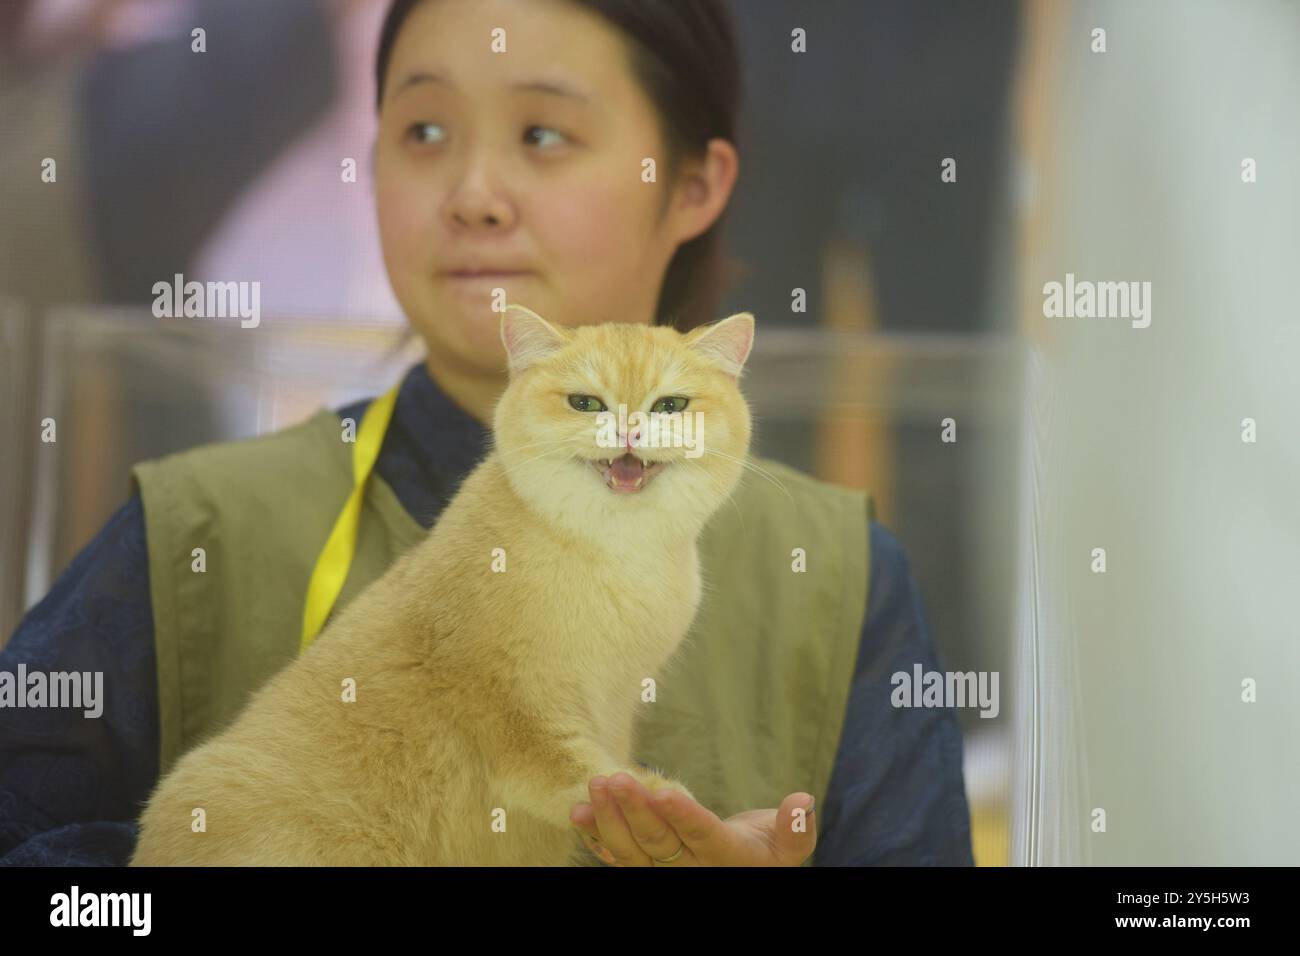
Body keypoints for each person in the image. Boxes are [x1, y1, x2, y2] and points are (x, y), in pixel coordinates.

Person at [0, 0, 974, 867]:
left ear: (693, 184)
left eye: (543, 134)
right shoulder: (194, 528)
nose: (473, 191)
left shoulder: (842, 576)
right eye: (422, 130)